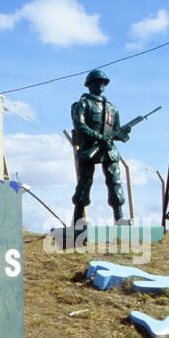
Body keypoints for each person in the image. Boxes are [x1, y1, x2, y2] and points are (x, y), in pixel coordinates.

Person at [70, 69, 127, 225]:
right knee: (84, 183)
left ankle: (120, 219)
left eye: (102, 82)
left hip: (108, 150)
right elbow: (80, 125)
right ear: (89, 85)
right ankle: (78, 221)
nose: (100, 85)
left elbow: (116, 131)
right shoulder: (83, 104)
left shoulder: (112, 108)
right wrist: (98, 137)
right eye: (97, 82)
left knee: (115, 183)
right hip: (89, 147)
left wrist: (123, 133)